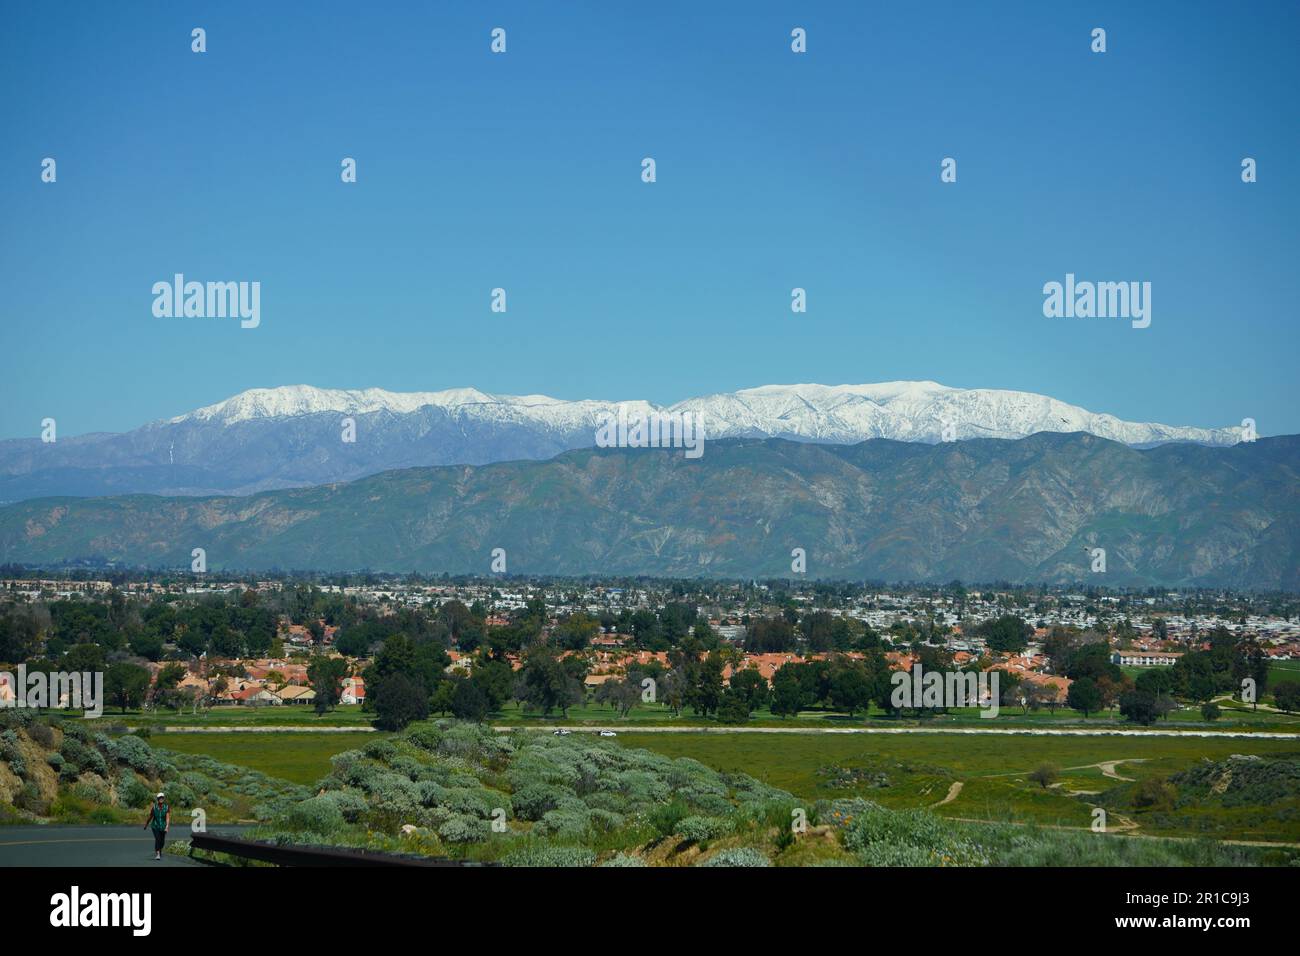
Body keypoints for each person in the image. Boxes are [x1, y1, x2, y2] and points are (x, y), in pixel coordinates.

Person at [143, 791, 170, 860]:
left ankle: (159, 849)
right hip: (155, 826)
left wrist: (167, 826)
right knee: (158, 839)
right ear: (157, 799)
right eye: (159, 798)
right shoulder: (154, 807)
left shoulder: (166, 807)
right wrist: (146, 824)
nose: (161, 799)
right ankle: (157, 853)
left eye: (162, 798)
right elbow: (150, 817)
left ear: (163, 799)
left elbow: (167, 817)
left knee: (162, 841)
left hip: (163, 826)